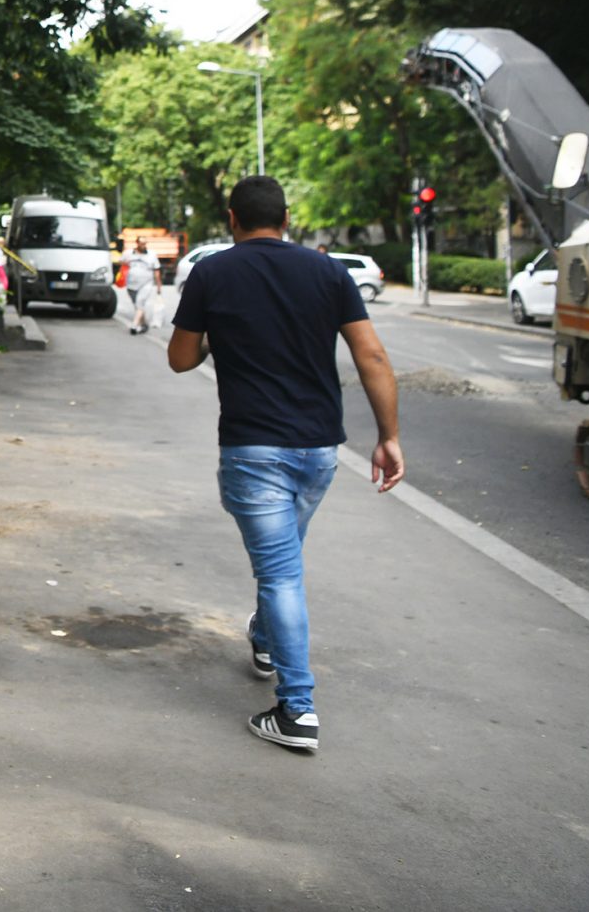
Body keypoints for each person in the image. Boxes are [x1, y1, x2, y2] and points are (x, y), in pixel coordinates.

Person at [166, 175, 404, 755]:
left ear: (231, 219)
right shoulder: (328, 272)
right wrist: (389, 437)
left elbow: (180, 359)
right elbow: (369, 353)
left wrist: (219, 335)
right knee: (284, 567)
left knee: (281, 576)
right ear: (288, 217)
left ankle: (297, 710)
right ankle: (266, 640)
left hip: (253, 451)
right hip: (319, 452)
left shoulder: (212, 273)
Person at [119, 236, 163, 335]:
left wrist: (159, 286)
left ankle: (134, 325)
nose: (143, 246)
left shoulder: (151, 255)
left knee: (140, 302)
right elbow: (121, 263)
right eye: (141, 243)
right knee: (138, 306)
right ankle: (144, 324)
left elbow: (156, 270)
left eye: (145, 243)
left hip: (146, 283)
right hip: (131, 284)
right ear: (137, 243)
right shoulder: (128, 254)